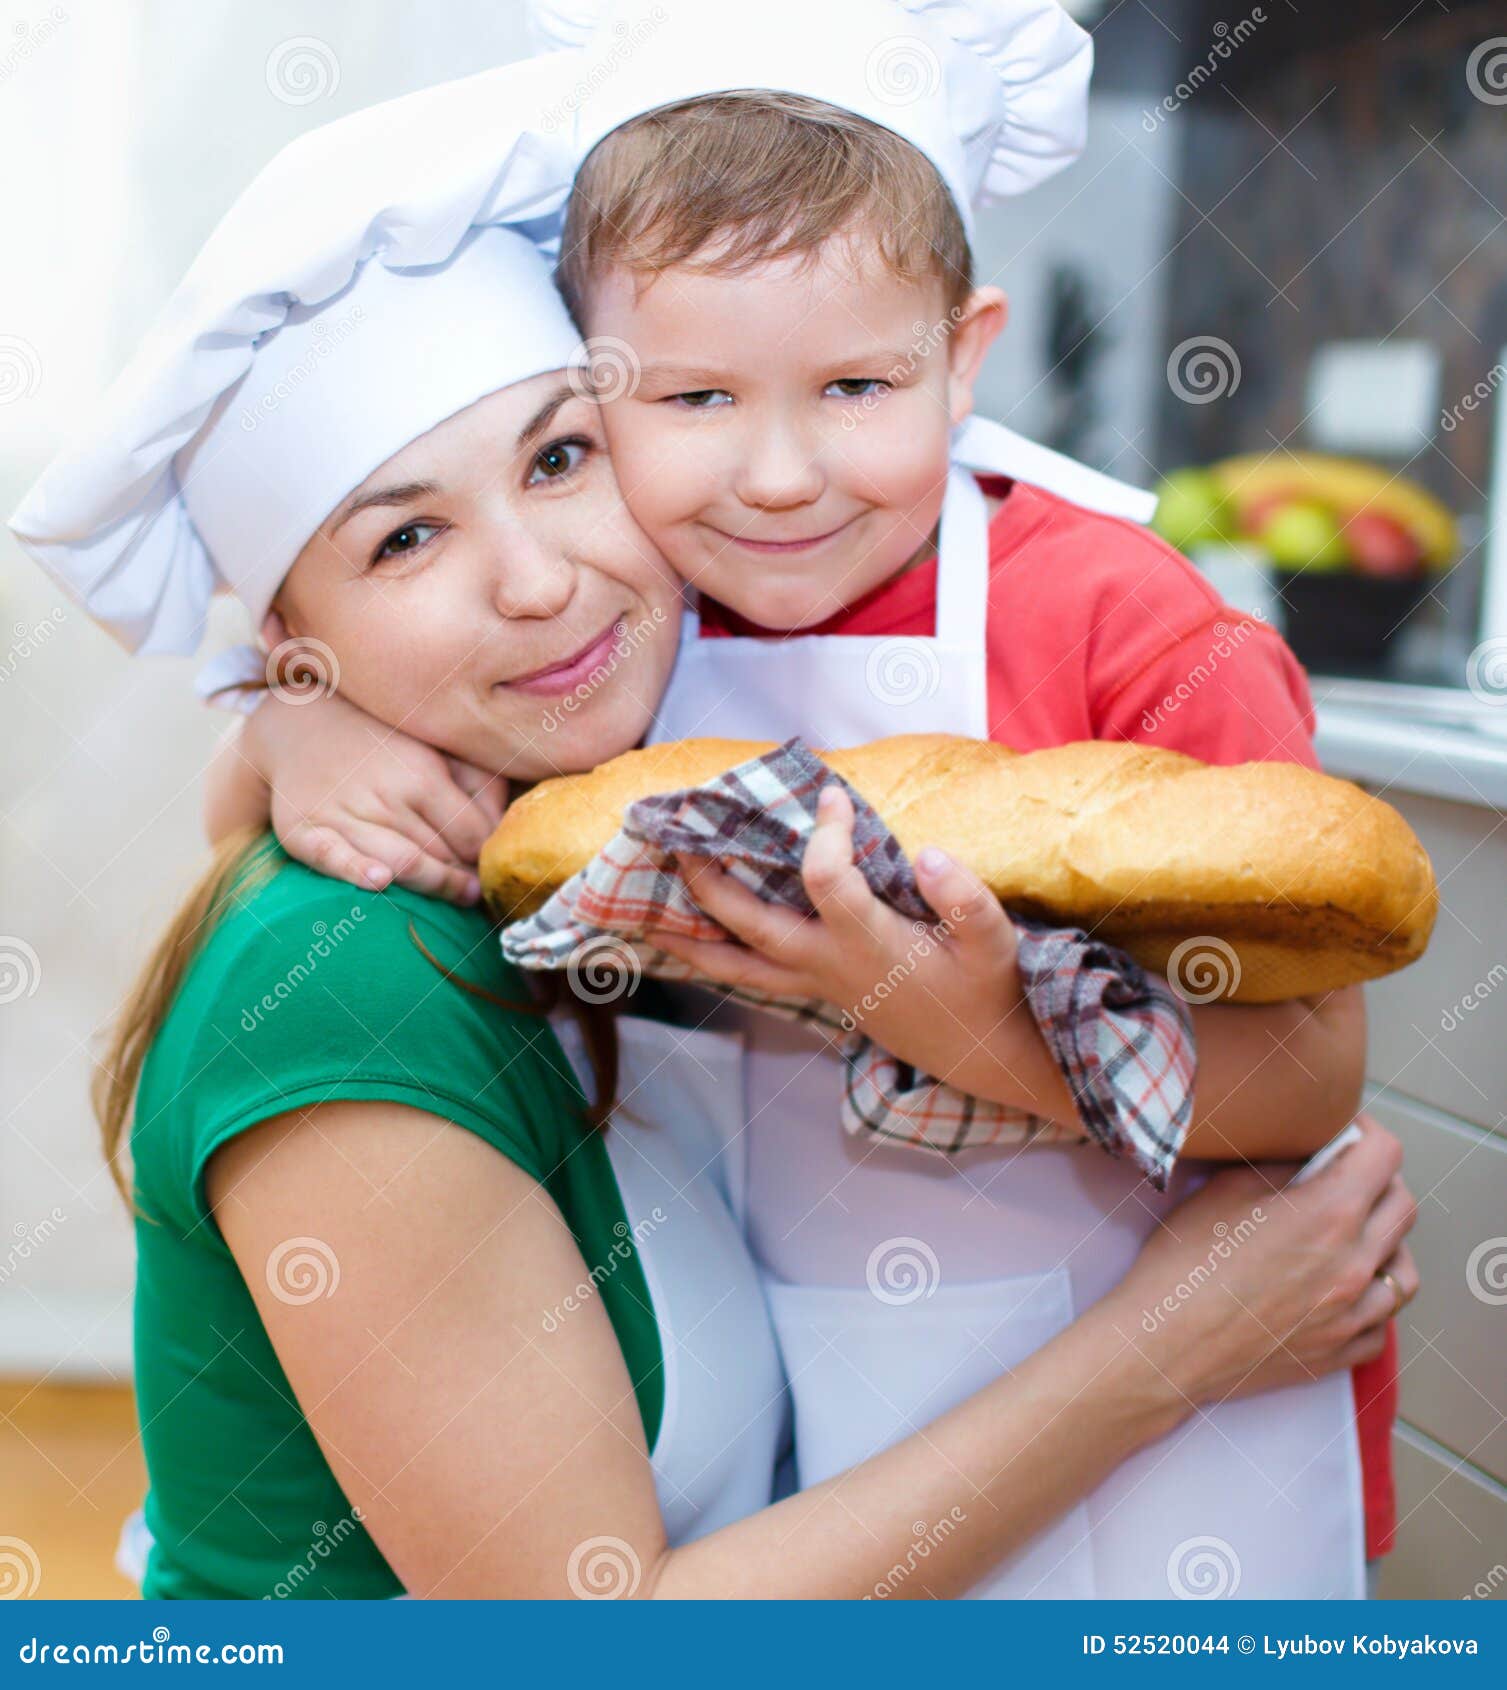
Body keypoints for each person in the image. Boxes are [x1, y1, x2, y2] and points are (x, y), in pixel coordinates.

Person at [7, 60, 1420, 1601]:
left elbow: (1308, 1039)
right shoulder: (356, 964)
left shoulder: (597, 749)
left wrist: (292, 721)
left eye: (560, 460)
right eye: (403, 538)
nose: (541, 582)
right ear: (293, 628)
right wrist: (284, 721)